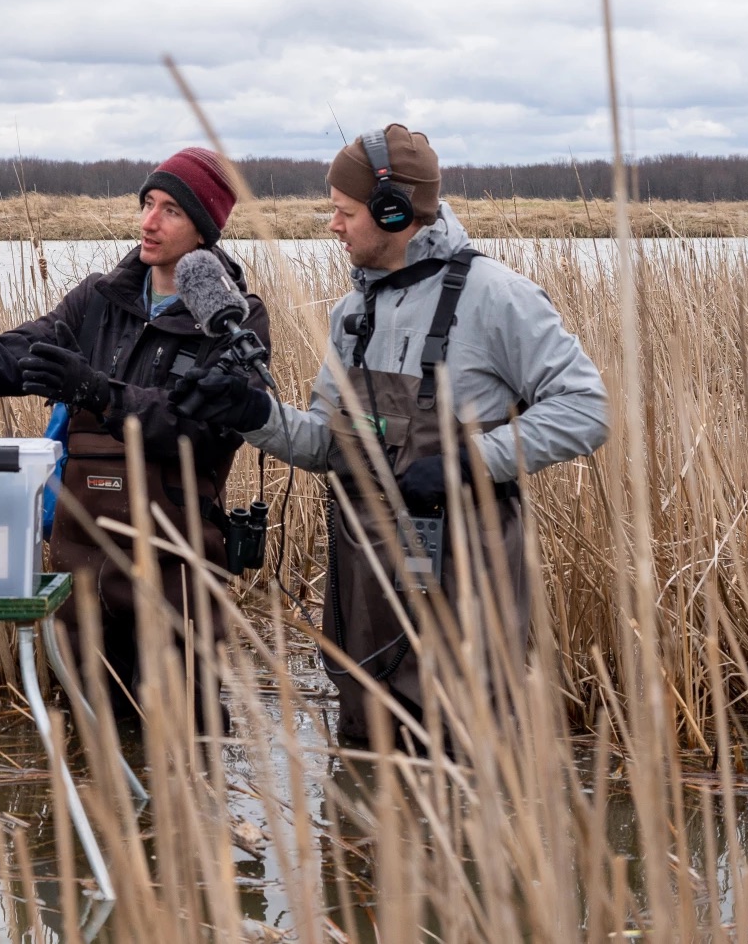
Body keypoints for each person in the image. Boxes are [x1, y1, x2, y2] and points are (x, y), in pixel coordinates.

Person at [172, 125, 608, 744]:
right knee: (367, 759)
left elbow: (587, 409)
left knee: (460, 757)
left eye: (343, 211)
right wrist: (251, 413)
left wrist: (469, 462)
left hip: (464, 581)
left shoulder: (496, 297)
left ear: (393, 212)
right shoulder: (352, 316)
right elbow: (325, 444)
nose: (333, 225)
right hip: (363, 589)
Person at [0, 147, 271, 722]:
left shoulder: (236, 321)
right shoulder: (98, 303)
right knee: (87, 735)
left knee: (184, 745)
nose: (148, 221)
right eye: (147, 203)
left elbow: (204, 428)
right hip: (81, 574)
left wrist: (99, 392)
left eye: (170, 210)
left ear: (205, 228)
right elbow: (7, 359)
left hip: (176, 575)